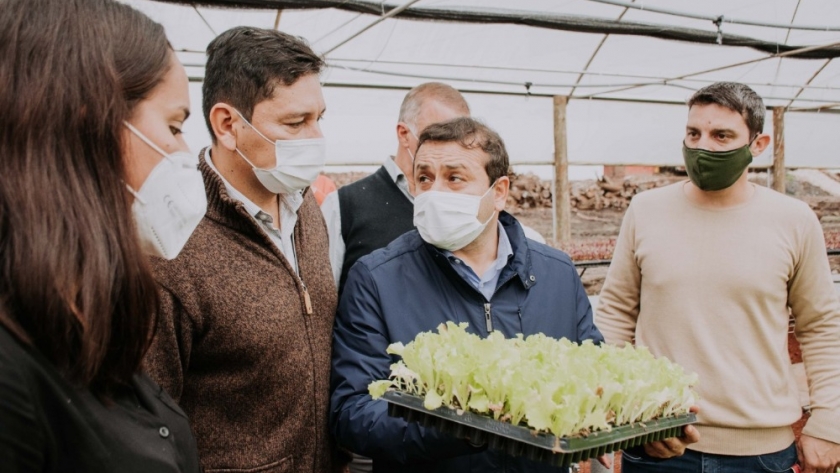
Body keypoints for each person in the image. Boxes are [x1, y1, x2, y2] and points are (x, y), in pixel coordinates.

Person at [330, 117, 604, 473]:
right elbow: (353, 412)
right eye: (424, 178)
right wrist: (465, 427)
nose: (433, 192)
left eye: (454, 178)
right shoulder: (376, 278)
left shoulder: (557, 273)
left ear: (499, 192)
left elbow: (593, 379)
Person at [0, 0, 204, 471]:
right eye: (174, 127)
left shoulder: (79, 319)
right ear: (86, 124)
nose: (185, 154)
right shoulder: (12, 377)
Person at [596, 82, 840, 473]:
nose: (703, 147)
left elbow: (822, 327)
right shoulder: (646, 210)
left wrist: (830, 424)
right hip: (658, 442)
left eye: (721, 135)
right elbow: (614, 314)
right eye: (694, 133)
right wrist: (616, 411)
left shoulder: (794, 221)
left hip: (761, 454)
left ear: (758, 144)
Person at [143, 26, 343, 473]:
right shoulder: (171, 244)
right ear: (228, 125)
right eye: (295, 123)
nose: (315, 139)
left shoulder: (306, 208)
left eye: (319, 119)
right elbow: (147, 423)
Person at [321, 82, 470, 291]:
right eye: (439, 136)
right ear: (403, 134)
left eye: (460, 139)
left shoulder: (466, 205)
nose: (451, 148)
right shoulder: (343, 206)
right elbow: (322, 300)